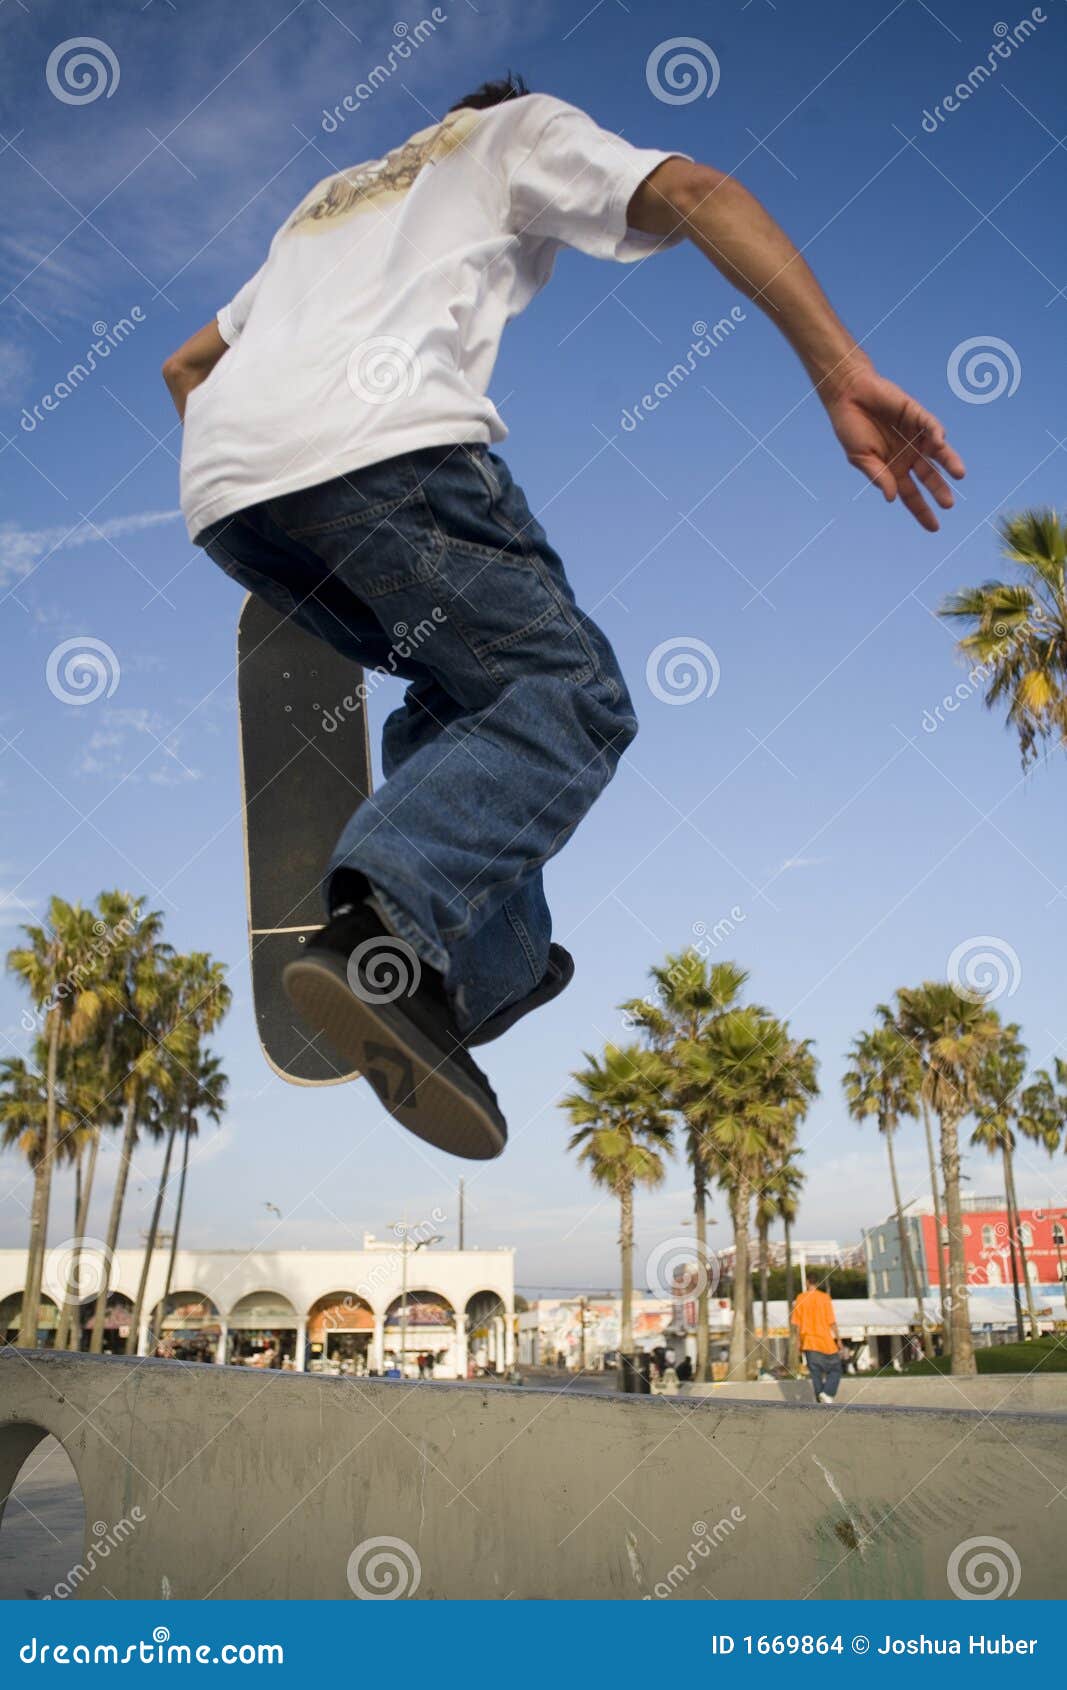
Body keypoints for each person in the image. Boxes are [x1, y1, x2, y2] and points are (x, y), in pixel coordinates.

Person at [166, 77, 964, 1159]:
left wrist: (279, 489)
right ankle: (383, 927)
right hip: (387, 450)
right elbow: (694, 190)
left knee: (467, 692)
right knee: (565, 693)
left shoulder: (328, 199)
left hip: (228, 502)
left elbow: (188, 365)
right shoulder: (513, 129)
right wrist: (838, 368)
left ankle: (477, 973)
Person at [790, 1283, 845, 1404]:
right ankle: (828, 1393)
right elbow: (831, 1321)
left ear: (807, 1283)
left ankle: (821, 1401)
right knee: (835, 1369)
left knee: (816, 1374)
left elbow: (797, 1324)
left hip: (809, 1342)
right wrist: (838, 1339)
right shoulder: (824, 1297)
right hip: (825, 1342)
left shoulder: (800, 1298)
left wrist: (799, 1342)